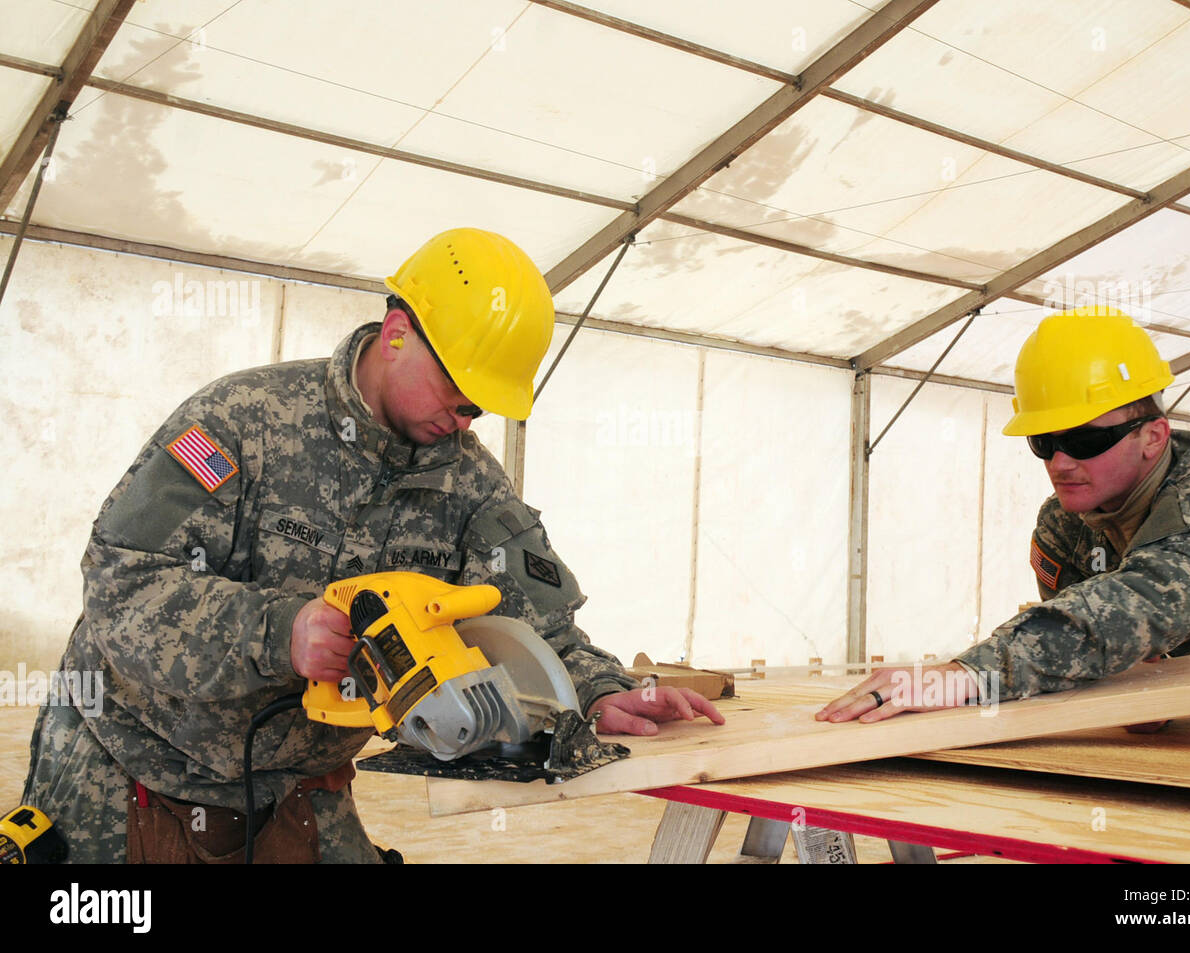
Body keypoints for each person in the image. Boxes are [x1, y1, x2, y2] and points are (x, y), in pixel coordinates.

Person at [23, 227, 723, 863]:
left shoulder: (470, 485)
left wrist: (598, 693)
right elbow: (121, 581)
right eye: (457, 387)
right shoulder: (242, 421)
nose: (465, 416)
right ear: (396, 332)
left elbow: (536, 629)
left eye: (481, 404)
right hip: (128, 775)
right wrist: (279, 631)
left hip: (300, 789)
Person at [818, 307, 1190, 725]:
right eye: (1043, 442)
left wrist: (968, 674)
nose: (1060, 463)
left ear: (1153, 437)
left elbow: (1145, 600)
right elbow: (1096, 642)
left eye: (1084, 441)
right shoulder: (1065, 524)